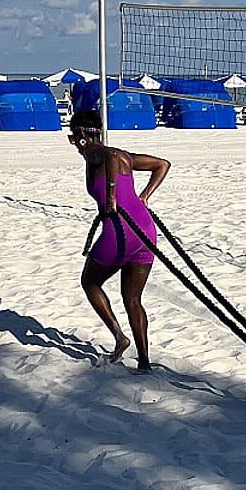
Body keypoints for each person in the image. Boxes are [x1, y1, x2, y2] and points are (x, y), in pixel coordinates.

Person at [69, 110, 170, 371]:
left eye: (72, 138)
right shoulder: (127, 156)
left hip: (120, 230)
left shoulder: (95, 152)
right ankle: (144, 361)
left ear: (82, 136)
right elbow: (163, 164)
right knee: (133, 299)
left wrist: (111, 194)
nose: (73, 144)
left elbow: (110, 157)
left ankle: (120, 337)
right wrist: (144, 196)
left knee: (89, 282)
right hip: (145, 230)